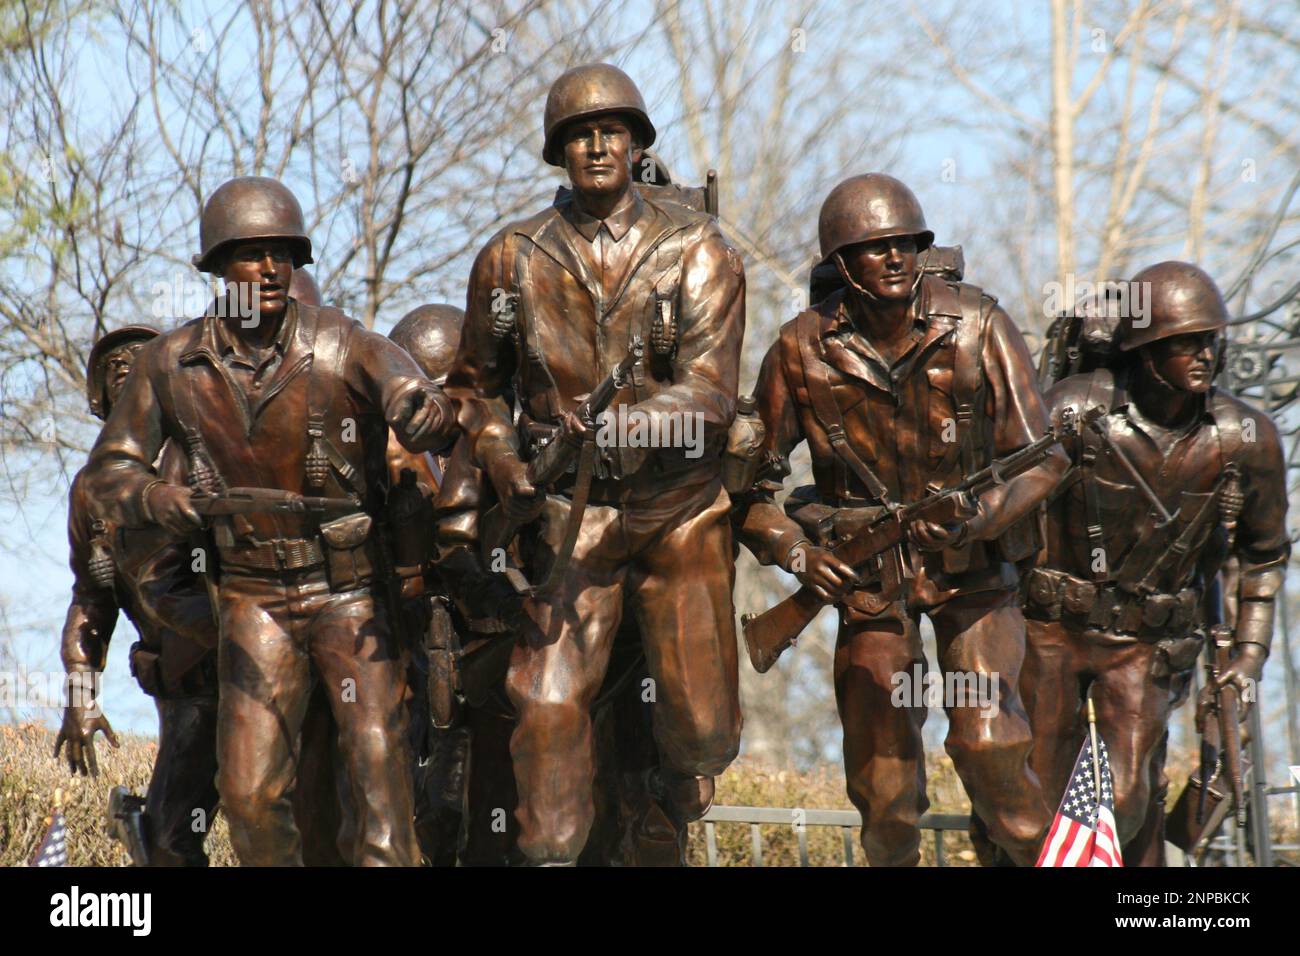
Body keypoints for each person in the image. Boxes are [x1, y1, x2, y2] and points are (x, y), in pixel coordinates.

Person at [83, 175, 456, 866]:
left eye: (284, 254)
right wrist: (157, 500)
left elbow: (400, 377)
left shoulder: (340, 343)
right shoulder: (172, 364)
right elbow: (106, 475)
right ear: (218, 267)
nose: (271, 268)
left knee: (380, 787)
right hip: (254, 602)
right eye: (252, 254)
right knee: (251, 798)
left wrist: (417, 404)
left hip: (348, 595)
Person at [444, 62, 746, 864]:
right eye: (579, 134)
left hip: (676, 510)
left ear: (638, 143)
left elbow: (713, 394)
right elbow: (474, 393)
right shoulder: (511, 259)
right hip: (568, 520)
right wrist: (504, 459)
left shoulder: (697, 250)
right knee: (541, 703)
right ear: (559, 152)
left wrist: (622, 427)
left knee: (700, 731)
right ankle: (549, 856)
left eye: (611, 130)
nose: (597, 145)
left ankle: (678, 778)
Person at [735, 173, 1064, 866]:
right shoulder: (798, 349)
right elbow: (749, 488)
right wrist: (797, 554)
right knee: (884, 792)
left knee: (990, 745)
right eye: (875, 247)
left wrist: (979, 517)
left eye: (906, 245)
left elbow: (1045, 459)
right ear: (842, 263)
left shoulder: (979, 324)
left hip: (973, 574)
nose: (895, 259)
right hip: (869, 585)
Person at [1019, 261, 1288, 864]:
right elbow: (1008, 515)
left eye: (1210, 340)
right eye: (1184, 342)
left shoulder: (1246, 437)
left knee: (1127, 792)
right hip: (1050, 628)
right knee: (1030, 791)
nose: (1203, 354)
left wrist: (1247, 657)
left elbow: (1264, 556)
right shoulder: (1070, 411)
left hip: (1144, 638)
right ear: (1144, 353)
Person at [56, 324, 220, 866]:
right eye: (114, 368)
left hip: (245, 663)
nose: (126, 369)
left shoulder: (206, 452)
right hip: (182, 687)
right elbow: (93, 596)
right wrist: (81, 693)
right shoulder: (89, 492)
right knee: (167, 840)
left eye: (140, 365)